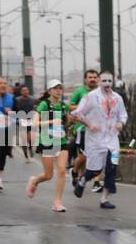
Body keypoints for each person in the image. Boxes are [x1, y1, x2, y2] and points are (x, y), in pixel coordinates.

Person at [70, 72, 125, 209]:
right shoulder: (90, 97)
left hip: (112, 140)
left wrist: (121, 123)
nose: (107, 83)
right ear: (100, 81)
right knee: (95, 170)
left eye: (109, 81)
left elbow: (123, 115)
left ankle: (104, 199)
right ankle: (82, 181)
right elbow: (77, 113)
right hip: (95, 140)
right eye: (104, 80)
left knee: (112, 168)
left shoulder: (117, 98)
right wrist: (89, 124)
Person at [26, 80, 71, 211]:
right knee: (48, 175)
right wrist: (52, 121)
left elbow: (66, 122)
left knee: (62, 170)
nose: (58, 91)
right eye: (55, 88)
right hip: (47, 141)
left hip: (61, 141)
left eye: (60, 88)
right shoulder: (44, 105)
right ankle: (34, 181)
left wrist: (71, 120)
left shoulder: (63, 106)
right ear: (49, 90)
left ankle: (57, 202)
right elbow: (34, 123)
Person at [66, 68, 98, 188]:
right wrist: (84, 106)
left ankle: (93, 181)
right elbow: (70, 107)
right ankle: (74, 171)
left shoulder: (100, 92)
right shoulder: (79, 92)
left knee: (94, 155)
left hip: (96, 129)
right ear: (85, 79)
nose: (92, 79)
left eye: (95, 77)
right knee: (83, 156)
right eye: (90, 77)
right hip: (82, 128)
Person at [13, 83, 37, 163]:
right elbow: (14, 110)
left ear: (28, 91)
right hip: (21, 121)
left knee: (31, 138)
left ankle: (30, 148)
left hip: (31, 120)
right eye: (23, 90)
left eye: (26, 90)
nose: (25, 92)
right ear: (21, 92)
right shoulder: (17, 100)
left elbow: (36, 109)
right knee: (23, 139)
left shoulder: (33, 99)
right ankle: (26, 155)